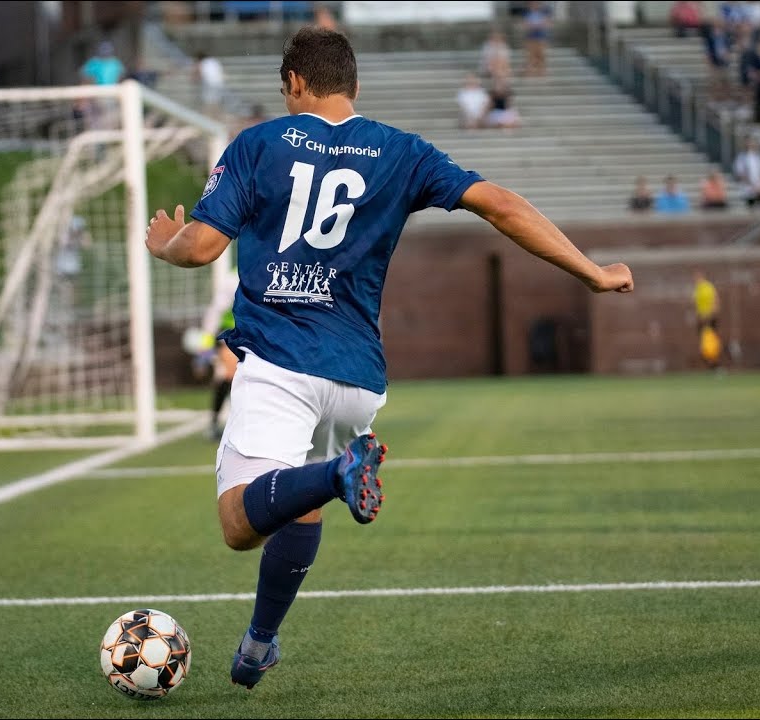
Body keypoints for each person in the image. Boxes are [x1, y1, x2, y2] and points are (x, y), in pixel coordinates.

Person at [143, 27, 633, 690]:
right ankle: (260, 643)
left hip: (281, 358)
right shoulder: (400, 150)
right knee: (300, 503)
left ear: (293, 84)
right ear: (355, 85)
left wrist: (167, 242)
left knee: (238, 521)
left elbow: (201, 248)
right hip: (357, 376)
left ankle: (343, 472)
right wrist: (592, 274)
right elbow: (502, 205)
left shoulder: (259, 144)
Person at [196, 271, 240, 440]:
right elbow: (214, 312)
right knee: (228, 376)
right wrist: (204, 350)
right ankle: (214, 423)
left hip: (259, 336)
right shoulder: (233, 280)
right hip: (232, 336)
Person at [692, 270, 722, 369]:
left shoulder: (708, 287)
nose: (696, 279)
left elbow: (716, 300)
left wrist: (712, 314)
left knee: (711, 341)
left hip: (710, 318)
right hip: (702, 319)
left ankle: (715, 363)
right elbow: (696, 305)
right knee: (704, 342)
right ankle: (710, 363)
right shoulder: (696, 289)